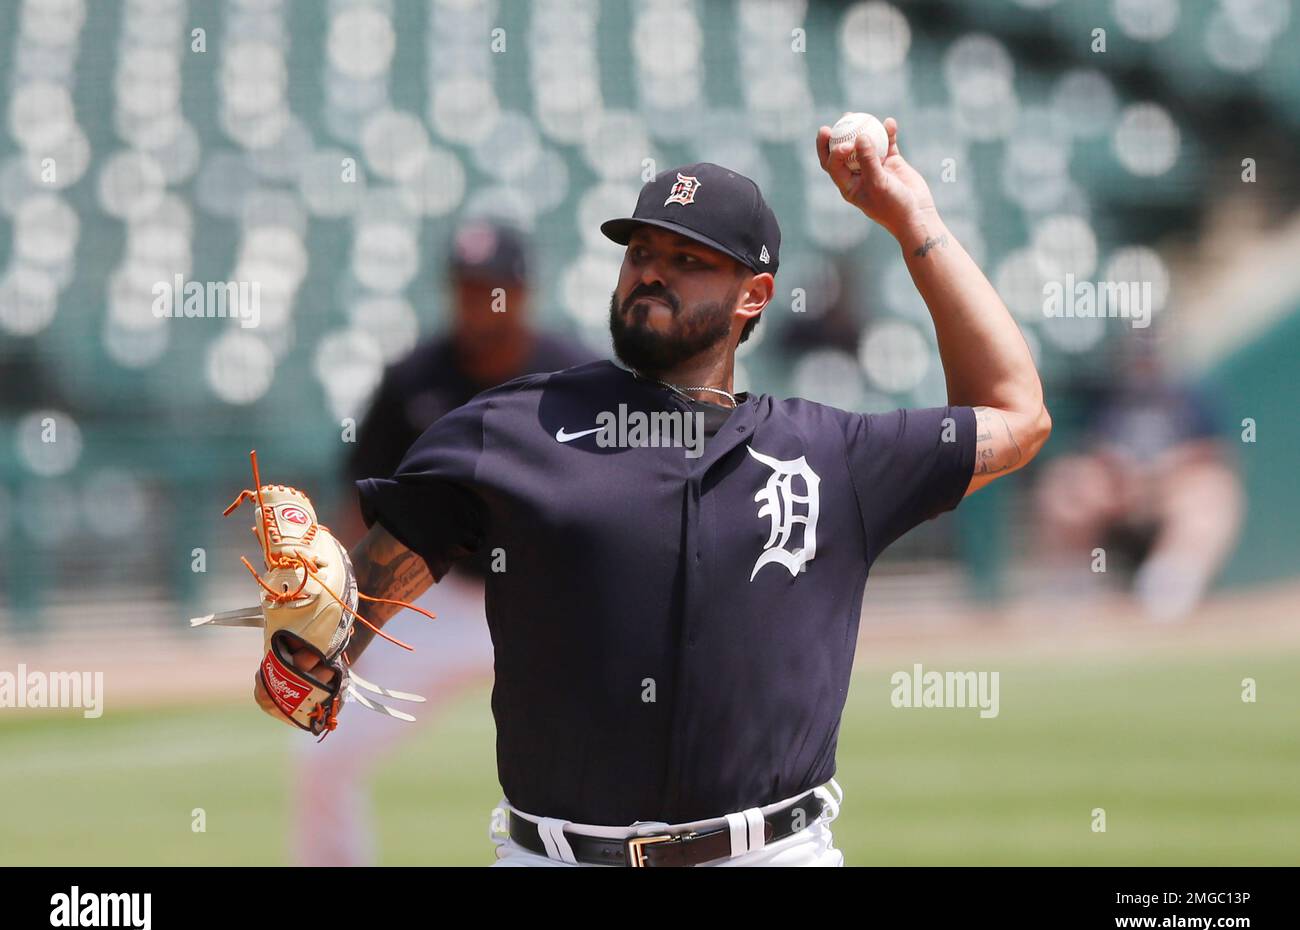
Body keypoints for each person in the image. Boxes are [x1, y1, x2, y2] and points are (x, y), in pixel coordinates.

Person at [260, 119, 1051, 866]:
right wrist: (311, 651)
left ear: (755, 295)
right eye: (640, 248)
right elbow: (360, 593)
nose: (652, 269)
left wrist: (912, 217)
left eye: (690, 258)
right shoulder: (513, 428)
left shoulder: (830, 452)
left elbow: (1017, 416)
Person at [292, 219, 595, 866]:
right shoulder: (413, 380)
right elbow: (358, 503)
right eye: (465, 287)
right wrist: (345, 613)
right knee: (320, 746)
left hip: (548, 607)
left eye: (491, 288)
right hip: (435, 600)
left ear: (522, 290)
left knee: (613, 752)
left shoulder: (574, 377)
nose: (477, 303)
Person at [1033, 335, 1242, 621]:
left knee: (1213, 489)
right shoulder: (1109, 392)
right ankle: (1072, 591)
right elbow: (1088, 448)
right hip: (1118, 492)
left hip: (1169, 494)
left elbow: (1216, 452)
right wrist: (1117, 469)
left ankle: (1170, 589)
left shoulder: (1191, 392)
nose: (1145, 358)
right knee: (1067, 481)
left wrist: (1168, 469)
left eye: (1151, 349)